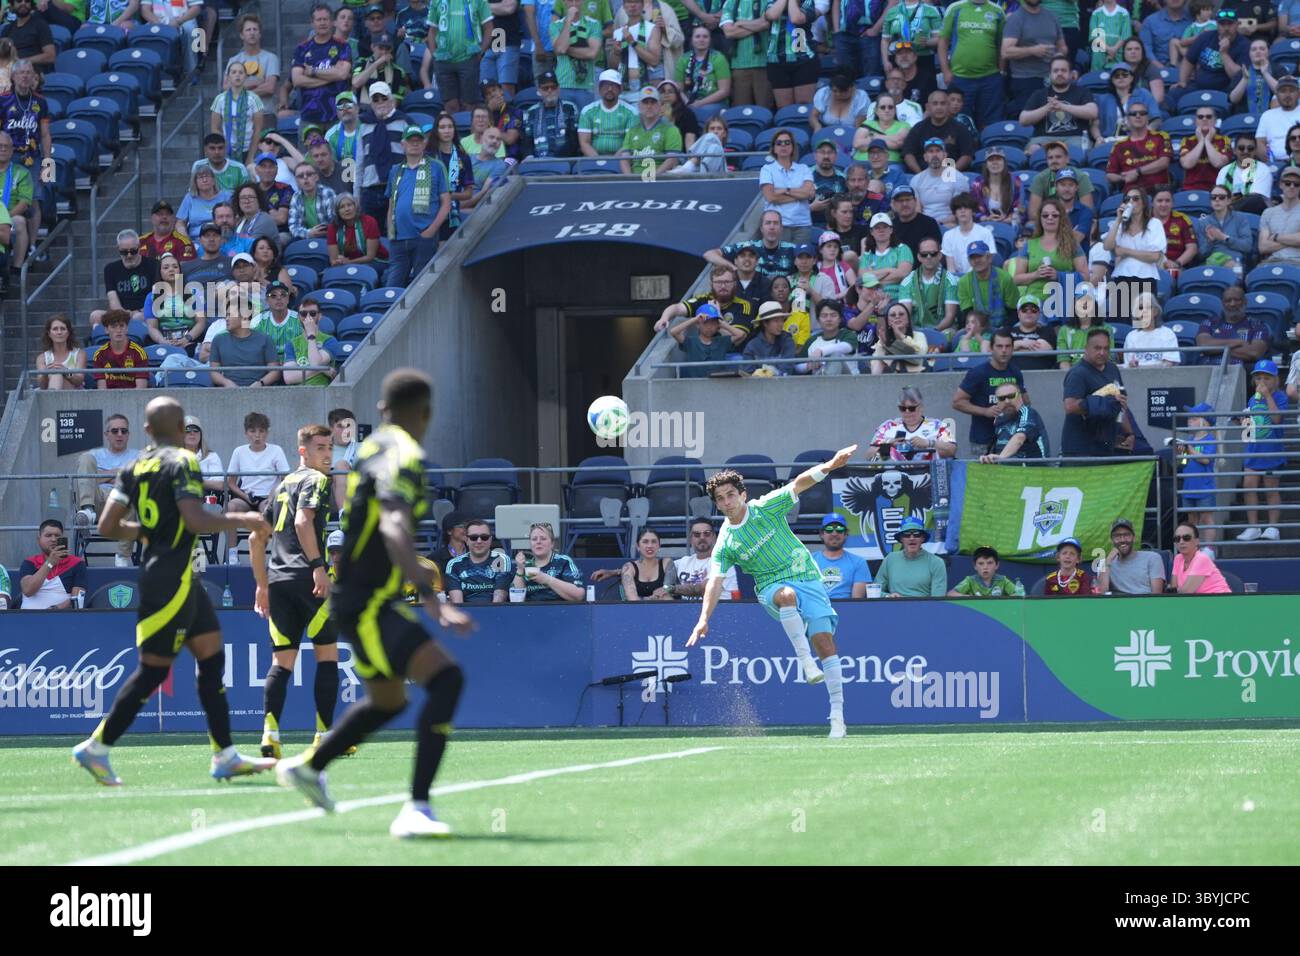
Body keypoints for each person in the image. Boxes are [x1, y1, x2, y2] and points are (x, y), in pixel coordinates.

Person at [271, 370, 473, 836]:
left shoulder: (368, 447)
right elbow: (393, 525)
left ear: (382, 411)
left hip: (362, 599)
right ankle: (417, 808)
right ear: (425, 413)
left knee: (388, 701)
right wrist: (431, 597)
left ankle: (310, 766)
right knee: (447, 679)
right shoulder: (405, 452)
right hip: (365, 604)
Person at [72, 397, 274, 787]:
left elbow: (108, 525)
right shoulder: (184, 461)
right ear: (183, 429)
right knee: (153, 671)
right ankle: (97, 746)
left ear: (146, 430)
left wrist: (148, 531)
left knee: (212, 658)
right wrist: (244, 517)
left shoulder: (133, 467)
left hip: (173, 576)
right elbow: (195, 519)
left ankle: (225, 754)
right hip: (172, 579)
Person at [688, 448, 858, 737]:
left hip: (806, 575)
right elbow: (715, 582)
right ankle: (805, 663)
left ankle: (838, 717)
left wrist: (830, 465)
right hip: (770, 587)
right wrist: (704, 618)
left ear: (742, 494)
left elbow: (799, 483)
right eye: (720, 499)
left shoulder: (764, 506)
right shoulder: (726, 542)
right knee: (787, 596)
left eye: (731, 495)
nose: (727, 502)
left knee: (825, 644)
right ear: (717, 505)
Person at [248, 424, 344, 760]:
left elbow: (254, 538)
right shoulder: (316, 480)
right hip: (310, 579)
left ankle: (270, 734)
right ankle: (324, 736)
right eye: (320, 447)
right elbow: (304, 522)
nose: (328, 453)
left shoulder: (282, 484)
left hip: (277, 581)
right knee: (327, 655)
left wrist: (261, 585)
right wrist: (318, 565)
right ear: (302, 450)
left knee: (281, 661)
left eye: (330, 447)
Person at [385, 125, 451, 286]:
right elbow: (392, 203)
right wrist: (390, 229)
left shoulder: (436, 167)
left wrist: (431, 231)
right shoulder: (395, 170)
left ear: (424, 143)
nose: (415, 144)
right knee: (392, 286)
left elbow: (446, 203)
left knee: (421, 285)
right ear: (403, 144)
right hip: (398, 238)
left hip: (423, 236)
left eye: (418, 140)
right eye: (411, 140)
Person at [1061, 326, 1134, 457]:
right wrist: (1105, 402)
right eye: (1097, 348)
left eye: (1106, 348)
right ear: (1086, 348)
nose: (1102, 352)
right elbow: (1070, 407)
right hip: (1080, 447)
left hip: (1106, 444)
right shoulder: (1077, 373)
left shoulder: (1113, 369)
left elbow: (1120, 405)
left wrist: (1129, 433)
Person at [1236, 359, 1287, 542]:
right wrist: (1243, 423)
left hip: (1271, 450)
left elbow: (1276, 419)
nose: (1262, 382)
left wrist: (1267, 396)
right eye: (1258, 378)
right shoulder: (1251, 399)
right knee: (1249, 486)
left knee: (1271, 489)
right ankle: (1253, 526)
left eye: (1267, 378)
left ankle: (1273, 527)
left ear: (1275, 380)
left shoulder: (1280, 397)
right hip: (1253, 450)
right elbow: (1248, 432)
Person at [937, 0, 1005, 132]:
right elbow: (943, 41)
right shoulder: (955, 8)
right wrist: (945, 71)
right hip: (960, 78)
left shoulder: (997, 11)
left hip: (990, 78)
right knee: (960, 122)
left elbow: (1002, 43)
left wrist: (1001, 72)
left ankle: (989, 151)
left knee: (990, 124)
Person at [953, 327, 1026, 449]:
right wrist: (985, 411)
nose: (1004, 350)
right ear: (991, 348)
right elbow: (957, 402)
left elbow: (1025, 402)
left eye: (1008, 346)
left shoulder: (1015, 371)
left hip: (1010, 438)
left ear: (1013, 349)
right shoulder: (978, 373)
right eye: (999, 346)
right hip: (983, 440)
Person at [225, 410, 291, 536]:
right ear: (246, 433)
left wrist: (273, 493)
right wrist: (245, 496)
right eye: (253, 431)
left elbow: (286, 479)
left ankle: (269, 552)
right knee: (230, 508)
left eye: (261, 431)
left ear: (267, 433)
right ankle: (232, 553)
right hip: (245, 497)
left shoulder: (276, 450)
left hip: (267, 498)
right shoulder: (239, 452)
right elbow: (231, 483)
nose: (257, 435)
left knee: (267, 511)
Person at [1011, 198, 1086, 304]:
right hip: (1034, 304)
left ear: (1061, 218)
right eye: (1045, 215)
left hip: (1064, 302)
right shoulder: (1029, 245)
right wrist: (1036, 274)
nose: (1050, 218)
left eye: (1055, 215)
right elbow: (1016, 279)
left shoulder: (1072, 244)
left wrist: (1058, 275)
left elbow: (1085, 276)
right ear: (1040, 219)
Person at [292, 3, 354, 127]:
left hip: (338, 115)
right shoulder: (302, 48)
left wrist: (313, 72)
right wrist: (331, 77)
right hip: (309, 116)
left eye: (325, 19)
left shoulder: (343, 46)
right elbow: (297, 80)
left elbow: (342, 74)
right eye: (318, 20)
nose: (322, 23)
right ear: (312, 23)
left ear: (332, 22)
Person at [1019, 55, 1096, 153]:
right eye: (1056, 71)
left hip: (1075, 139)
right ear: (1050, 74)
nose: (1059, 73)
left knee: (1079, 150)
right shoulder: (1039, 94)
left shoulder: (1082, 92)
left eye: (1063, 70)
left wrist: (1062, 106)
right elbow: (1023, 120)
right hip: (1043, 139)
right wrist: (1047, 108)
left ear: (1071, 74)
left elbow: (1093, 112)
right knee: (1034, 149)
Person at [1103, 189, 1165, 308]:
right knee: (1121, 320)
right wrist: (1117, 220)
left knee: (1143, 322)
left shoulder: (1154, 223)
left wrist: (1125, 251)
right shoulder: (1120, 225)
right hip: (1122, 278)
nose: (1131, 202)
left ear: (1144, 203)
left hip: (1146, 278)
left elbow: (1154, 256)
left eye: (1136, 198)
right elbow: (1107, 246)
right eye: (1127, 199)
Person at [1174, 403, 1219, 553]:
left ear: (1205, 422)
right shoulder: (1190, 439)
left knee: (1206, 517)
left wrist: (1190, 449)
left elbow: (1206, 460)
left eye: (1193, 419)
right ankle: (1194, 547)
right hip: (1189, 486)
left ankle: (1209, 548)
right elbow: (1184, 463)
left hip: (1204, 486)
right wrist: (1181, 454)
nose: (1189, 421)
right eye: (1189, 419)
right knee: (1191, 520)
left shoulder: (1210, 439)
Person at [868, 385, 956, 460]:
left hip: (928, 474)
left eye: (911, 408)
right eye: (902, 408)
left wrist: (928, 443)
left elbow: (952, 450)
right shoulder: (888, 426)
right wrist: (889, 445)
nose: (907, 412)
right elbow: (868, 455)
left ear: (921, 407)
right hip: (894, 475)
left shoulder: (937, 426)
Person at [1105, 99, 1172, 195]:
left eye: (1142, 113)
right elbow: (1110, 174)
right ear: (1127, 119)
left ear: (1148, 117)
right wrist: (1123, 178)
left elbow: (1164, 162)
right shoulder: (1119, 146)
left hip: (1159, 193)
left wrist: (1137, 172)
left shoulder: (1161, 137)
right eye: (1133, 113)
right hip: (1132, 194)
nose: (1138, 116)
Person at [902, 89, 976, 174]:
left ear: (948, 106)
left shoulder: (961, 128)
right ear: (928, 107)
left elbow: (967, 156)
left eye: (943, 103)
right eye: (935, 103)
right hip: (923, 176)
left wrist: (950, 173)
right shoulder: (918, 128)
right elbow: (908, 154)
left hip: (952, 176)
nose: (939, 107)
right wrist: (920, 175)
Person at [18, 519, 87, 610]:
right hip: (27, 619)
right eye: (48, 535)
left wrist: (54, 610)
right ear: (39, 540)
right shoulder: (30, 563)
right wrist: (50, 562)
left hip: (62, 618)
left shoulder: (77, 564)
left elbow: (77, 600)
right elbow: (28, 590)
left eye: (57, 536)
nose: (53, 539)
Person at [1194, 284, 1270, 365]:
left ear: (1245, 302)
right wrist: (1239, 342)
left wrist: (1214, 350)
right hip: (1208, 371)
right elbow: (1203, 345)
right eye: (1228, 300)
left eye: (1237, 300)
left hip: (1240, 373)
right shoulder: (1209, 323)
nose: (1232, 304)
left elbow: (1254, 353)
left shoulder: (1257, 325)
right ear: (1223, 303)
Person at [1178, 9, 1248, 95]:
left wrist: (1224, 53)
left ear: (1237, 24)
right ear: (1217, 25)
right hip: (1197, 87)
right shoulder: (1205, 37)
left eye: (1230, 24)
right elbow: (1189, 60)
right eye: (1222, 24)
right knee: (1173, 94)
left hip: (1225, 92)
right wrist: (1183, 81)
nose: (1226, 28)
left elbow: (1237, 76)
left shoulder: (1245, 45)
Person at [511, 521, 584, 601]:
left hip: (559, 611)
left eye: (543, 538)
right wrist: (520, 569)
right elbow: (516, 600)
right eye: (534, 539)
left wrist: (547, 579)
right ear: (530, 544)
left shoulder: (562, 561)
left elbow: (579, 595)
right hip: (530, 611)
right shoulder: (527, 564)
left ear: (552, 543)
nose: (538, 542)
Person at [667, 301, 746, 375]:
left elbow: (741, 335)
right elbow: (674, 332)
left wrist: (722, 324)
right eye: (705, 323)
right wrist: (695, 320)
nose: (709, 327)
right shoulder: (691, 342)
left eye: (713, 323)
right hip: (695, 384)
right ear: (698, 325)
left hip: (718, 384)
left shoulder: (722, 341)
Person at [211, 61, 265, 167]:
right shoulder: (219, 99)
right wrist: (223, 149)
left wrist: (251, 156)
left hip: (249, 148)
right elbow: (215, 128)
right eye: (233, 72)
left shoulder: (254, 99)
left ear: (245, 76)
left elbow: (258, 129)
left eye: (241, 72)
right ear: (228, 77)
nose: (237, 75)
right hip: (227, 150)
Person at [445, 518, 511, 604]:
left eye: (484, 537)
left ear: (490, 540)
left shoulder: (501, 559)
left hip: (494, 614)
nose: (479, 541)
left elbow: (499, 599)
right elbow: (458, 604)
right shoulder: (454, 564)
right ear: (467, 540)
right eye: (473, 538)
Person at [875, 515, 946, 595]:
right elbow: (875, 591)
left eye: (917, 534)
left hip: (924, 607)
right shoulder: (890, 559)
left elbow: (938, 599)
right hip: (894, 606)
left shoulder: (937, 562)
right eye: (906, 534)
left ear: (923, 538)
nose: (912, 538)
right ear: (901, 539)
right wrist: (888, 596)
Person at [1096, 517, 1166, 594]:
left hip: (1145, 603)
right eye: (1117, 536)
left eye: (1126, 535)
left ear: (1134, 538)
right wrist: (1108, 561)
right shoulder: (1105, 563)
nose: (1122, 540)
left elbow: (1157, 595)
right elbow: (1101, 593)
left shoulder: (1152, 558)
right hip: (1118, 604)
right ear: (1111, 540)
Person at [720, 0, 771, 108]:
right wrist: (756, 25)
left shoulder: (768, 1)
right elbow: (729, 32)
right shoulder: (730, 2)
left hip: (764, 64)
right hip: (739, 65)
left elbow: (765, 24)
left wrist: (740, 23)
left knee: (765, 109)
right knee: (741, 110)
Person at [980, 380, 1047, 460]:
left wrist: (1001, 458)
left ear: (1020, 397)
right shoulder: (999, 419)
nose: (1007, 401)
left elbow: (1019, 438)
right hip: (1009, 469)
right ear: (997, 401)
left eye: (1012, 396)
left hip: (1034, 468)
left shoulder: (1028, 412)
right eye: (1002, 398)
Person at [520, 71, 580, 158]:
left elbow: (574, 138)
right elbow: (527, 140)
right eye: (545, 88)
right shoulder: (531, 112)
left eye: (553, 87)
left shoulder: (570, 107)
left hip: (566, 160)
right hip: (538, 162)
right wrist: (530, 157)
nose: (550, 90)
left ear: (558, 88)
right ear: (539, 90)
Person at [813, 513, 872, 599]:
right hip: (817, 610)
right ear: (822, 534)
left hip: (847, 610)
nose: (834, 533)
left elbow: (857, 601)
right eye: (829, 529)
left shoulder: (858, 562)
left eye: (839, 529)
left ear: (846, 534)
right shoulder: (810, 560)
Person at [227, 13, 281, 102]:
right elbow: (226, 87)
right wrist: (256, 83)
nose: (252, 33)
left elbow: (269, 88)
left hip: (265, 112)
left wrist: (239, 89)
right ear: (241, 35)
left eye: (255, 29)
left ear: (259, 34)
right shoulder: (234, 60)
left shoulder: (271, 58)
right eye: (248, 30)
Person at [1056, 282, 1112, 368]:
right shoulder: (1064, 330)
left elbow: (1109, 358)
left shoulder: (1106, 328)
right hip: (1075, 373)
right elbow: (1063, 360)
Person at [90, 309, 149, 391]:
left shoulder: (139, 353)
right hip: (109, 399)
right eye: (113, 327)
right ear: (106, 330)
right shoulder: (100, 354)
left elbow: (140, 389)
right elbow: (102, 390)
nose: (118, 330)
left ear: (127, 328)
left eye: (121, 326)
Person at [1217, 132, 1272, 215]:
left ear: (1255, 151)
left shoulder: (1263, 169)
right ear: (1234, 150)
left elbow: (1256, 200)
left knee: (1255, 200)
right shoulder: (1224, 171)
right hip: (1228, 215)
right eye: (1241, 148)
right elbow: (1219, 198)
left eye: (1250, 148)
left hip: (1255, 215)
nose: (1246, 151)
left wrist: (1230, 202)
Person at [1169, 521, 1231, 593]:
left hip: (1219, 600)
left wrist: (1176, 591)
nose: (1181, 542)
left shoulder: (1201, 559)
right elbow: (1173, 589)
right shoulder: (1178, 558)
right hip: (1196, 601)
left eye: (1186, 538)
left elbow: (1186, 593)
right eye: (1177, 539)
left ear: (1197, 541)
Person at [1123, 292, 1180, 368]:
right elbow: (1130, 366)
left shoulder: (1168, 333)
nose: (1144, 311)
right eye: (1140, 308)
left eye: (1148, 307)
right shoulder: (1131, 336)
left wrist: (1142, 367)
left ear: (1155, 311)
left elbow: (1168, 364)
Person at [970, 148, 1023, 229]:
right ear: (986, 165)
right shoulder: (978, 183)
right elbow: (974, 210)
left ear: (1004, 163)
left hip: (1010, 225)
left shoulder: (1015, 181)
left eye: (998, 159)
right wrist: (987, 218)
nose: (995, 162)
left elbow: (1020, 207)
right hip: (985, 225)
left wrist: (1009, 218)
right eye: (991, 160)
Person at [870, 301, 928, 374]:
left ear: (908, 320)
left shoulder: (919, 335)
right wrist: (885, 345)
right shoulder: (883, 340)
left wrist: (901, 336)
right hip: (891, 380)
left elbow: (920, 355)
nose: (897, 317)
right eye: (893, 315)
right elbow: (874, 367)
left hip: (915, 379)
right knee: (880, 359)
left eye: (901, 314)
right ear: (888, 322)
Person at [1259, 165, 1300, 264]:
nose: (1292, 187)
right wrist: (1293, 242)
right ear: (1281, 185)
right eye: (1287, 183)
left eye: (1296, 184)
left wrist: (1275, 237)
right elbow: (1263, 247)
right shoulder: (1268, 213)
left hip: (1297, 263)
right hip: (1272, 262)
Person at [1255, 73, 1300, 162]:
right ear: (1276, 94)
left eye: (1291, 91)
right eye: (1283, 91)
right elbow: (1260, 142)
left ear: (1298, 93)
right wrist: (1269, 162)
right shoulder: (1267, 115)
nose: (1287, 95)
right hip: (1274, 163)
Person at [36, 314, 85, 390]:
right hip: (49, 391)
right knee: (56, 374)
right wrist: (45, 373)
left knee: (58, 373)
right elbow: (42, 385)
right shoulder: (42, 358)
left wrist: (66, 372)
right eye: (55, 329)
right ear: (49, 333)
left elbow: (79, 381)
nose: (59, 332)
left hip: (74, 396)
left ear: (68, 333)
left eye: (63, 329)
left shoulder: (79, 354)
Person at [948, 546, 1016, 596]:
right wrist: (970, 597)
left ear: (997, 565)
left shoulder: (1003, 580)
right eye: (981, 563)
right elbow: (951, 594)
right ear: (975, 566)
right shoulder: (970, 581)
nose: (985, 567)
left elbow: (1019, 594)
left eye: (989, 563)